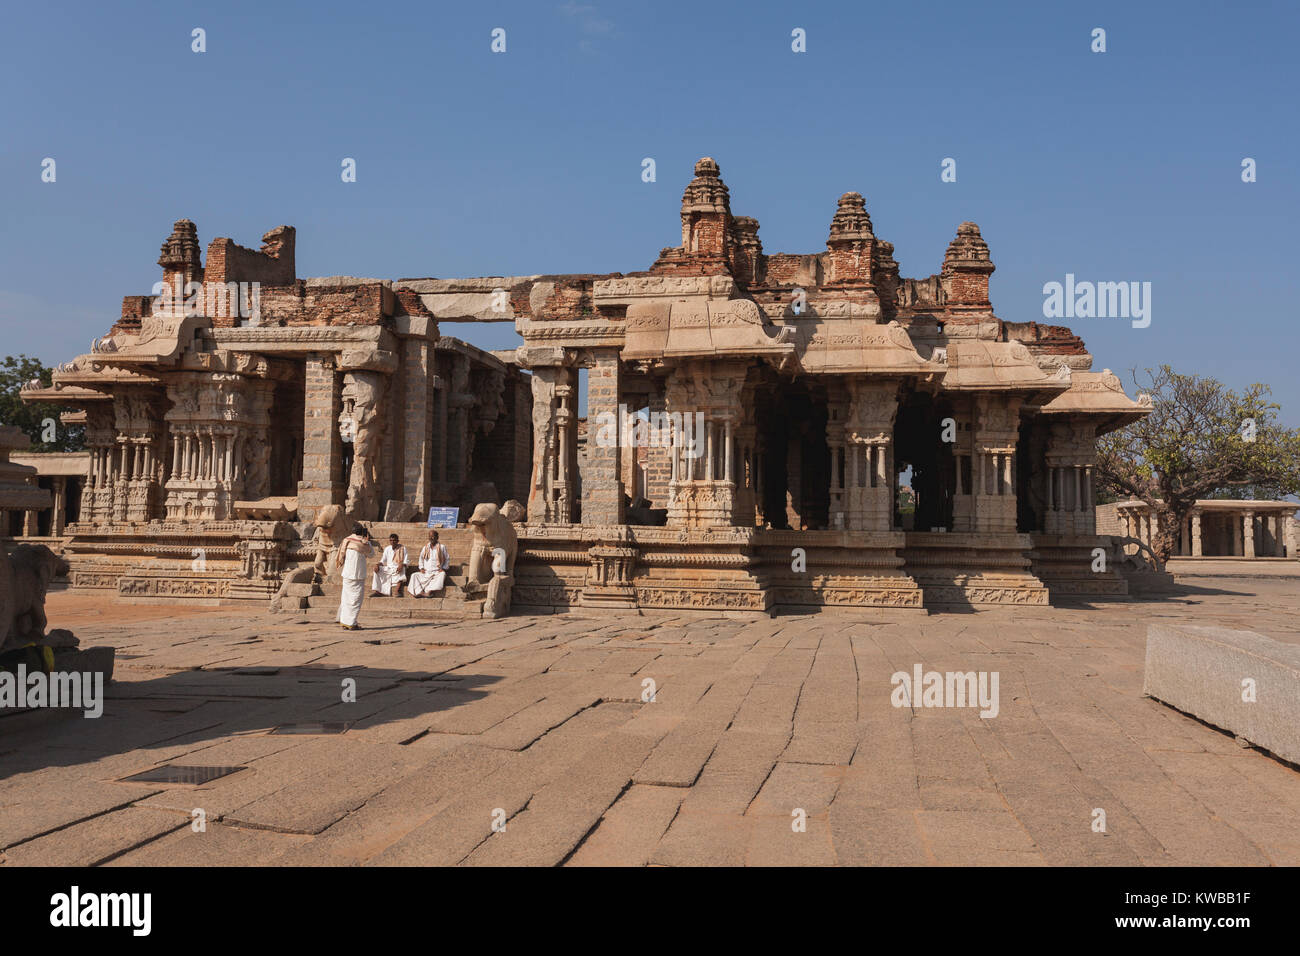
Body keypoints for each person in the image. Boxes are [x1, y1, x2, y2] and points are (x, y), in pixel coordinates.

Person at [335, 524, 373, 630]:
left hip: (347, 574)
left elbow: (341, 555)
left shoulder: (346, 540)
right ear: (362, 532)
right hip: (358, 575)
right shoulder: (364, 542)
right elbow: (371, 554)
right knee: (356, 599)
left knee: (346, 598)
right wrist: (368, 541)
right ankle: (351, 623)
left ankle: (345, 621)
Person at [408, 529, 450, 597]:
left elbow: (447, 559)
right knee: (414, 575)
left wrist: (444, 568)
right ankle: (420, 592)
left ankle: (429, 591)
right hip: (426, 572)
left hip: (436, 572)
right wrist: (421, 568)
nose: (431, 538)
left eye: (433, 536)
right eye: (430, 536)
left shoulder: (442, 547)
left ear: (437, 537)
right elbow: (421, 558)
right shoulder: (425, 548)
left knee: (442, 574)